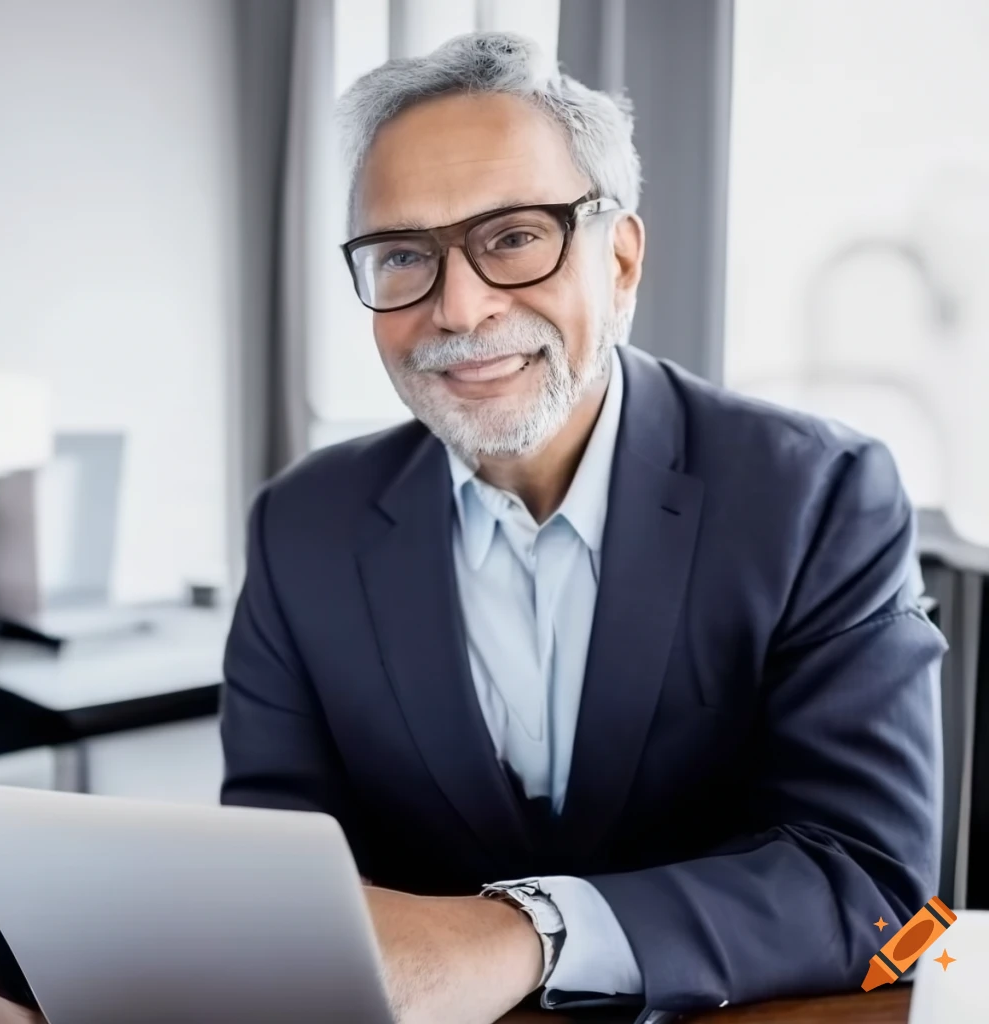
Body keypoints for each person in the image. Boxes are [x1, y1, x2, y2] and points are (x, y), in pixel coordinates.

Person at [220, 31, 945, 1024]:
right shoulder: (302, 526)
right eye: (403, 255)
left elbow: (879, 891)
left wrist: (526, 934)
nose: (459, 308)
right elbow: (271, 875)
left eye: (514, 237)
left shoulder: (817, 496)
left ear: (622, 258)